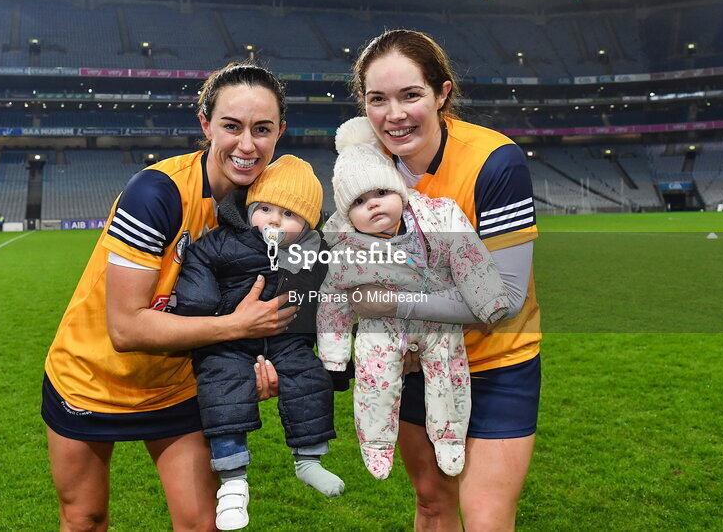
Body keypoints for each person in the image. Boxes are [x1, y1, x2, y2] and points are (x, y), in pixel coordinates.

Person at [42, 63, 299, 532]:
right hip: (91, 377)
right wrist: (237, 328)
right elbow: (125, 328)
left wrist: (264, 364)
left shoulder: (269, 210)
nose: (247, 145)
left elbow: (267, 304)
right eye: (232, 126)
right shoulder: (156, 192)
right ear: (206, 124)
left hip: (179, 383)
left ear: (280, 132)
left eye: (262, 129)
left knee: (202, 524)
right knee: (84, 518)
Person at [347, 30, 542, 532]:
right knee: (433, 506)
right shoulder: (365, 167)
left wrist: (395, 305)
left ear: (442, 93)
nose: (394, 114)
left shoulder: (494, 161)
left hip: (496, 362)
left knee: (486, 518)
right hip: (416, 364)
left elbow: (505, 300)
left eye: (410, 95)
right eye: (377, 99)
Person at [319, 117, 510, 480]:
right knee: (374, 380)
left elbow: (467, 254)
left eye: (381, 192)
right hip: (383, 325)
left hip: (438, 319)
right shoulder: (347, 249)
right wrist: (334, 354)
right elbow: (332, 298)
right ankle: (376, 444)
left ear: (399, 191)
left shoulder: (437, 216)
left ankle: (450, 438)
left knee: (449, 376)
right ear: (347, 215)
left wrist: (488, 300)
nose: (373, 205)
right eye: (359, 201)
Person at [173, 154, 342, 531]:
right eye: (265, 209)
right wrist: (201, 304)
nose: (274, 221)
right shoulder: (223, 242)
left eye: (289, 214)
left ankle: (309, 460)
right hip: (228, 336)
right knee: (222, 385)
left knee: (310, 377)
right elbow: (197, 262)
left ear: (308, 224)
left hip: (285, 338)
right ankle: (232, 480)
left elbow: (334, 292)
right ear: (249, 209)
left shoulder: (317, 252)